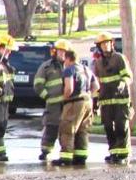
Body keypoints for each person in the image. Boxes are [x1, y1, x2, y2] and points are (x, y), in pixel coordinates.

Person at [90, 33, 131, 163]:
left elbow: (128, 76)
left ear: (112, 44)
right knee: (108, 128)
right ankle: (113, 153)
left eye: (107, 43)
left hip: (120, 99)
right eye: (103, 44)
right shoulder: (97, 63)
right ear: (99, 47)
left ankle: (123, 155)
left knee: (121, 126)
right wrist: (95, 102)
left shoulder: (119, 58)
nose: (105, 46)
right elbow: (96, 84)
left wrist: (122, 83)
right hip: (105, 101)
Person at [55, 48, 94, 167]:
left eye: (64, 60)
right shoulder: (86, 69)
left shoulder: (69, 70)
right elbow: (96, 86)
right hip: (87, 102)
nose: (64, 62)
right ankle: (80, 157)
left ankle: (66, 157)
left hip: (74, 102)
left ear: (67, 58)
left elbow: (69, 88)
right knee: (82, 130)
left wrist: (64, 99)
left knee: (67, 129)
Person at [33, 40, 69, 163]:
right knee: (51, 127)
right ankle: (45, 151)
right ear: (55, 52)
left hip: (68, 104)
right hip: (53, 104)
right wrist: (47, 96)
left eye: (65, 52)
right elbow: (38, 84)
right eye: (60, 51)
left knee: (67, 128)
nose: (62, 54)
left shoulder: (72, 66)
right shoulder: (46, 66)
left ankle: (67, 152)